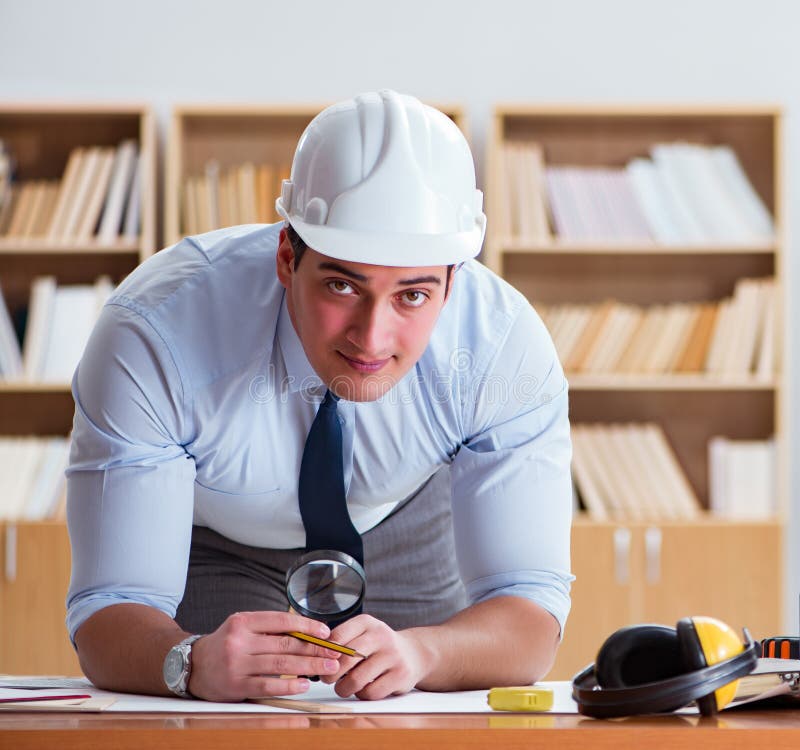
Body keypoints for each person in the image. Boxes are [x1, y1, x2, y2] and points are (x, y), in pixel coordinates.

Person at [66, 90, 573, 703]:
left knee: (413, 715)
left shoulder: (501, 345)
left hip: (403, 519)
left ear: (452, 283)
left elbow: (529, 612)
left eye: (412, 295)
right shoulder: (154, 335)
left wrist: (425, 649)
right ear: (287, 256)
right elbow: (111, 610)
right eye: (341, 284)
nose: (372, 337)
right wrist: (189, 661)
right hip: (221, 541)